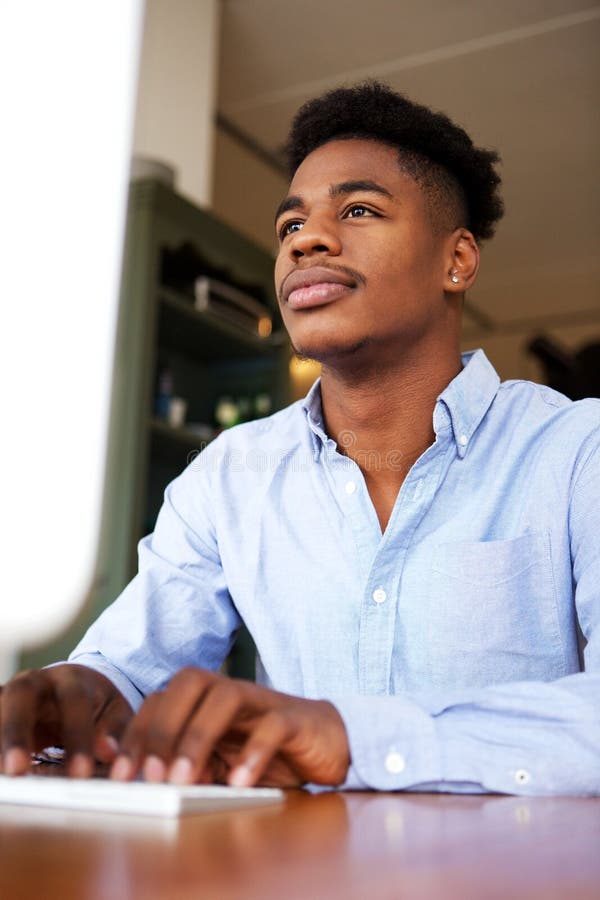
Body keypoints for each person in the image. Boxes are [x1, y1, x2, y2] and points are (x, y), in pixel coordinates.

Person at [1, 82, 599, 795]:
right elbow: (130, 669)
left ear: (457, 261)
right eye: (290, 227)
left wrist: (350, 737)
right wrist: (81, 690)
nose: (306, 240)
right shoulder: (230, 475)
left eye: (358, 210)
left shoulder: (576, 451)